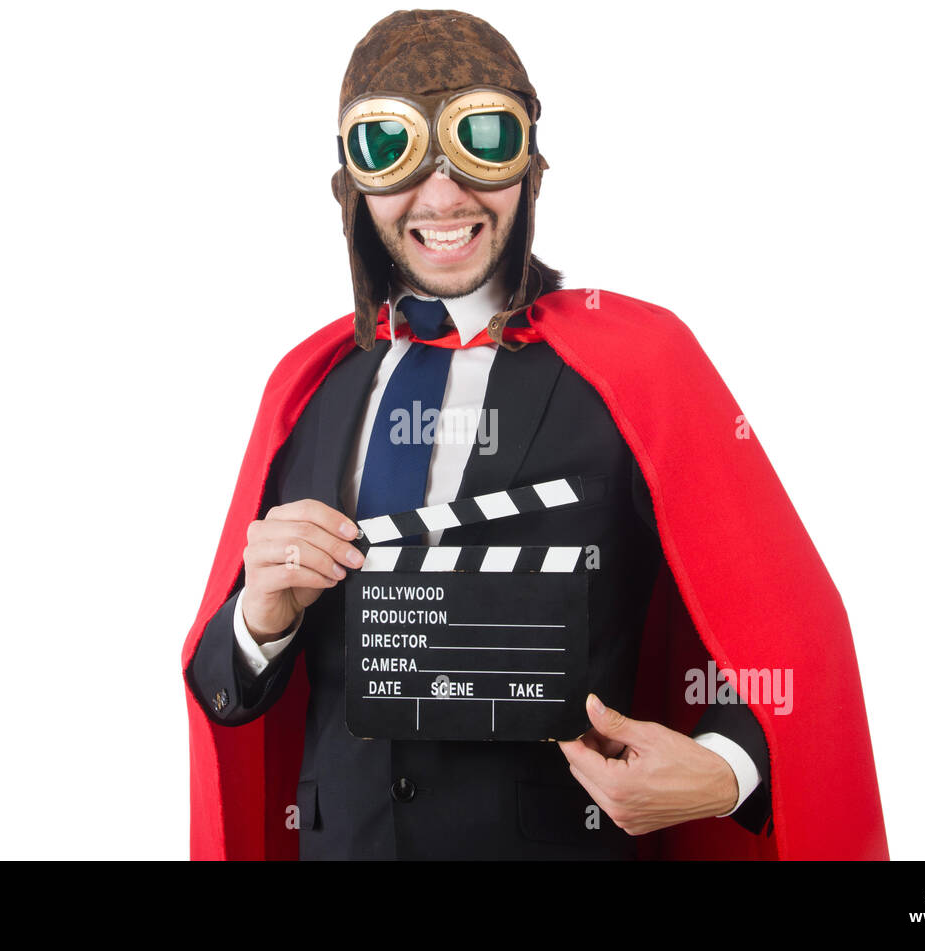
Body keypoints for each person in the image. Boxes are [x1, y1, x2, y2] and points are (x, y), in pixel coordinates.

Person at [181, 9, 887, 860]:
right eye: (391, 151)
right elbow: (223, 692)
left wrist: (726, 768)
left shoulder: (636, 366)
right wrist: (260, 617)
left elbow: (788, 635)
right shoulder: (308, 387)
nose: (441, 197)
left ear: (530, 168)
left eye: (480, 140)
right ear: (351, 183)